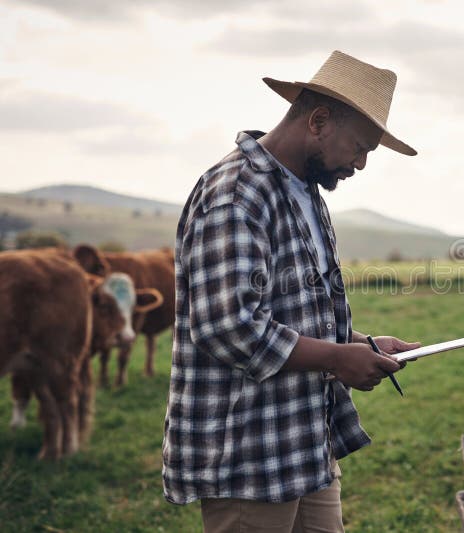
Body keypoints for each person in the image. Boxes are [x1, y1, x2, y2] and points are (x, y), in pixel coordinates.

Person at [162, 50, 420, 532]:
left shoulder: (305, 193)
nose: (361, 164)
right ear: (319, 121)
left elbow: (293, 314)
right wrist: (337, 359)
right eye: (360, 147)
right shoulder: (237, 192)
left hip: (305, 445)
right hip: (249, 455)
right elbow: (228, 326)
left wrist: (358, 345)